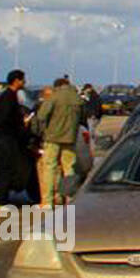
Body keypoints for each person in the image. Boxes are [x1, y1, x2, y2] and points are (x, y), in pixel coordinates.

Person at [35, 77, 82, 206]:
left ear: (57, 86)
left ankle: (48, 201)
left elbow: (41, 115)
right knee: (69, 168)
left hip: (52, 137)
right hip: (70, 138)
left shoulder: (54, 97)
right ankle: (70, 199)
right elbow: (83, 117)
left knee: (49, 167)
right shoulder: (77, 98)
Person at [0, 70, 31, 210]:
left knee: (7, 167)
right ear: (16, 80)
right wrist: (22, 124)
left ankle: (1, 198)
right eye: (23, 79)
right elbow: (6, 118)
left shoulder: (10, 96)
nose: (25, 82)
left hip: (7, 136)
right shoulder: (8, 96)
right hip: (6, 137)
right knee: (5, 168)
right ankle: (0, 200)